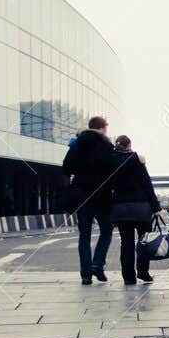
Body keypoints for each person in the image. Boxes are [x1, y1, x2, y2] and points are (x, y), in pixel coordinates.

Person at [62, 115, 121, 285]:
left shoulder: (76, 145)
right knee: (106, 230)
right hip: (102, 196)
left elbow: (66, 167)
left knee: (84, 236)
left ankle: (86, 274)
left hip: (81, 197)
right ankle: (97, 264)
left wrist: (73, 181)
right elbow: (114, 170)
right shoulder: (106, 146)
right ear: (102, 128)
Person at [105, 135, 163, 284]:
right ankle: (143, 272)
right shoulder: (137, 160)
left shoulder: (110, 162)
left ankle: (128, 277)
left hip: (121, 209)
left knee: (126, 243)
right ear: (129, 145)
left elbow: (106, 187)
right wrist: (156, 207)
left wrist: (110, 205)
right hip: (142, 208)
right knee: (144, 241)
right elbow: (147, 185)